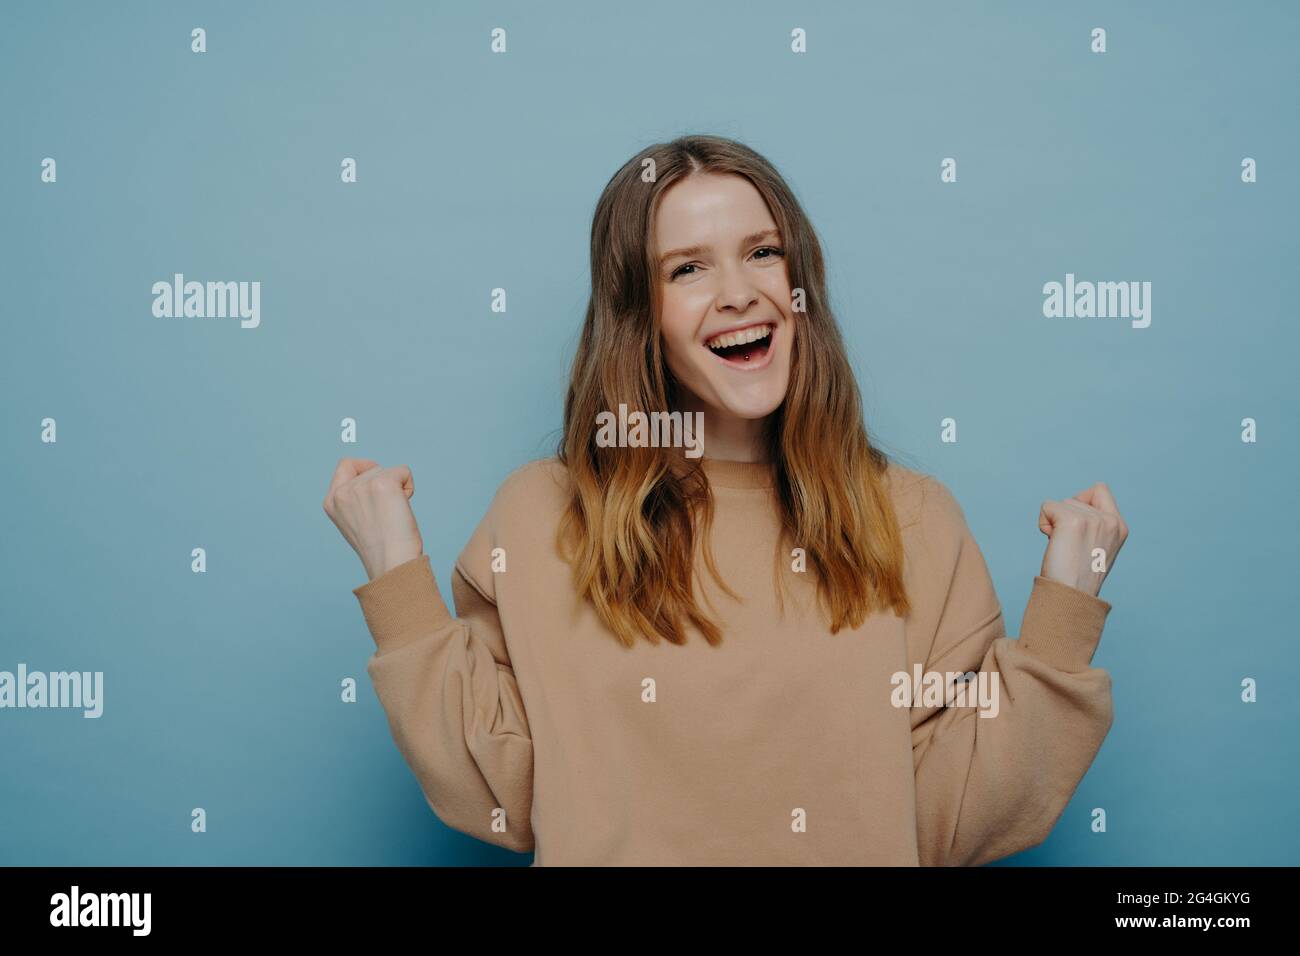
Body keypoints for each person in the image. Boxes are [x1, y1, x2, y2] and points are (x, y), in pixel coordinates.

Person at [323, 134, 1129, 866]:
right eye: (689, 268)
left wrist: (1063, 614)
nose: (739, 292)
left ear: (799, 284)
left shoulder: (913, 520)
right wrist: (396, 571)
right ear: (641, 315)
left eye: (763, 254)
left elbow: (952, 820)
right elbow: (500, 797)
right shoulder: (543, 515)